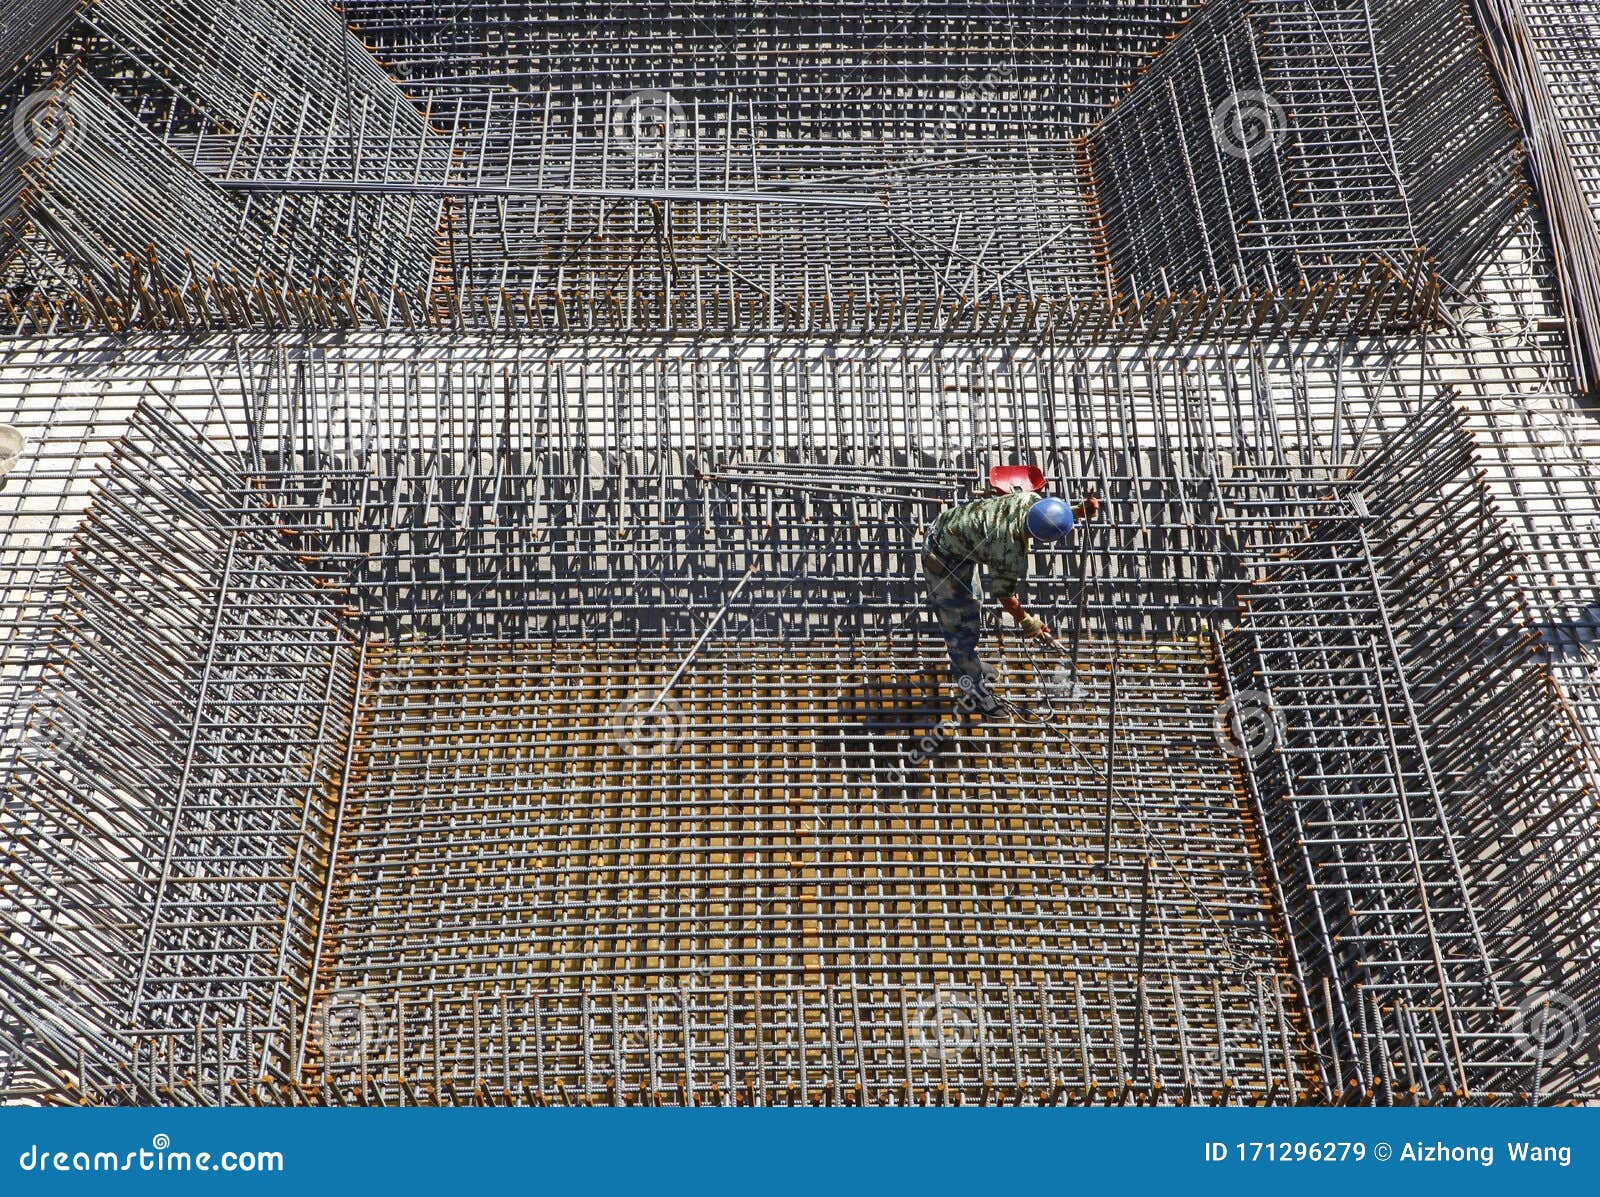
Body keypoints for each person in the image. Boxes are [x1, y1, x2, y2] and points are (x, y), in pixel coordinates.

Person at [920, 488, 1098, 715]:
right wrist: (1029, 623)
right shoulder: (1008, 549)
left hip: (954, 536)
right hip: (942, 558)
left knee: (973, 604)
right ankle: (972, 690)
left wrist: (1076, 512)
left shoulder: (1029, 500)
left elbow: (1046, 515)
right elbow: (1004, 595)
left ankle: (971, 664)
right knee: (960, 628)